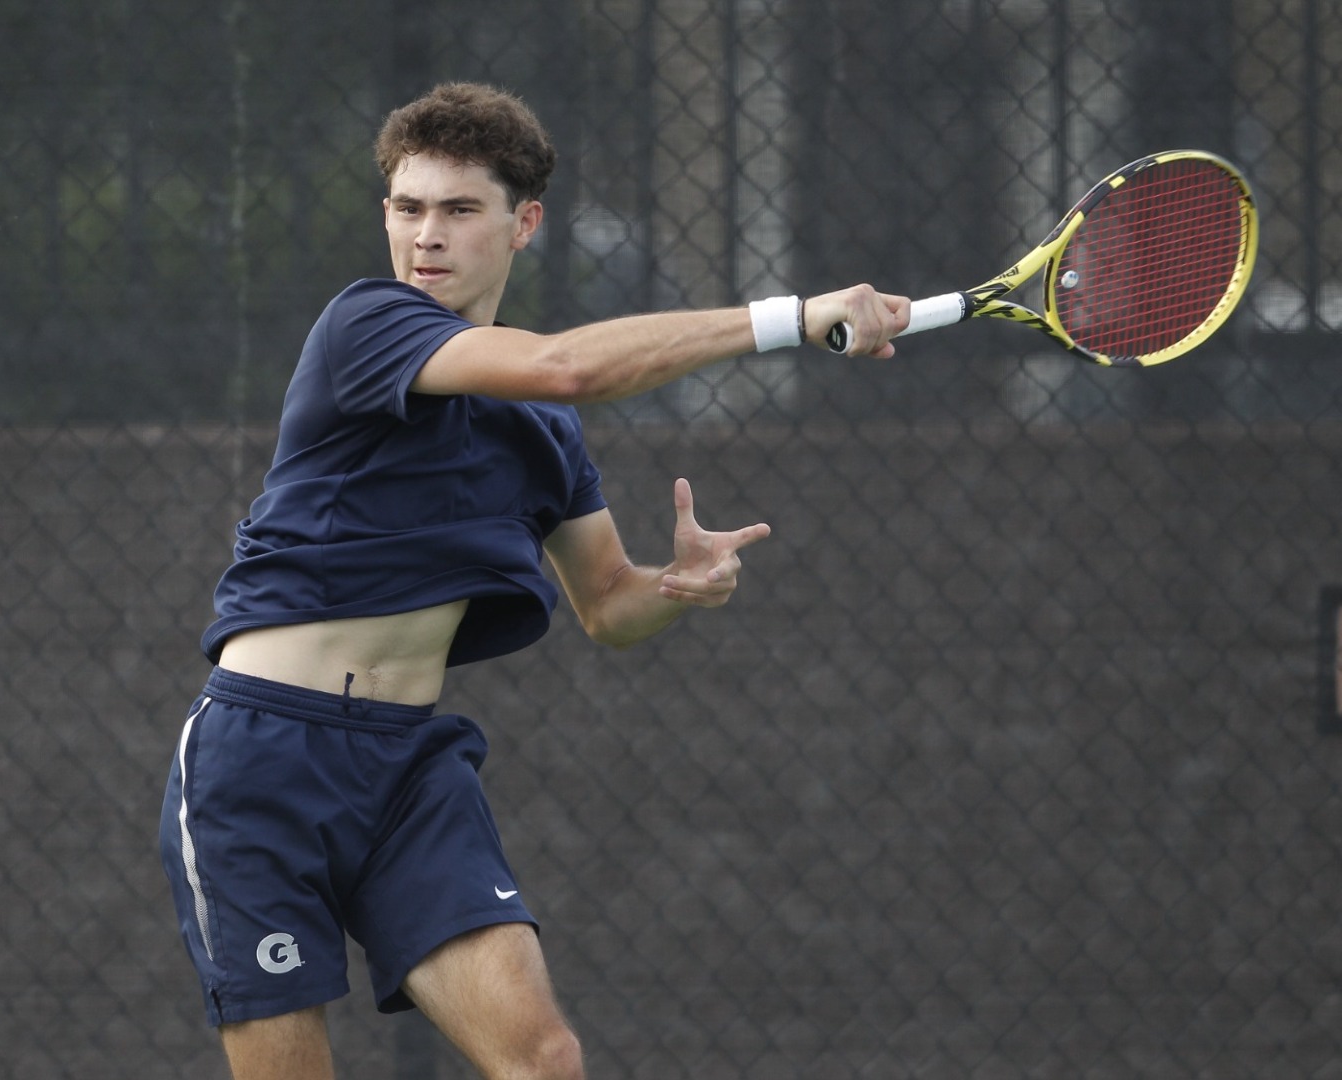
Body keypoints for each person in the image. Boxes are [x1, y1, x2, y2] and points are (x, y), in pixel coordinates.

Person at [159, 81, 908, 1079]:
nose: (427, 234)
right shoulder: (365, 324)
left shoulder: (542, 432)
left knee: (545, 1060)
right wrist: (795, 317)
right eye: (408, 207)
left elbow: (609, 604)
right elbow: (566, 366)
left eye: (460, 209)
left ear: (524, 224)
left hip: (407, 770)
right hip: (264, 761)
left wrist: (678, 585)